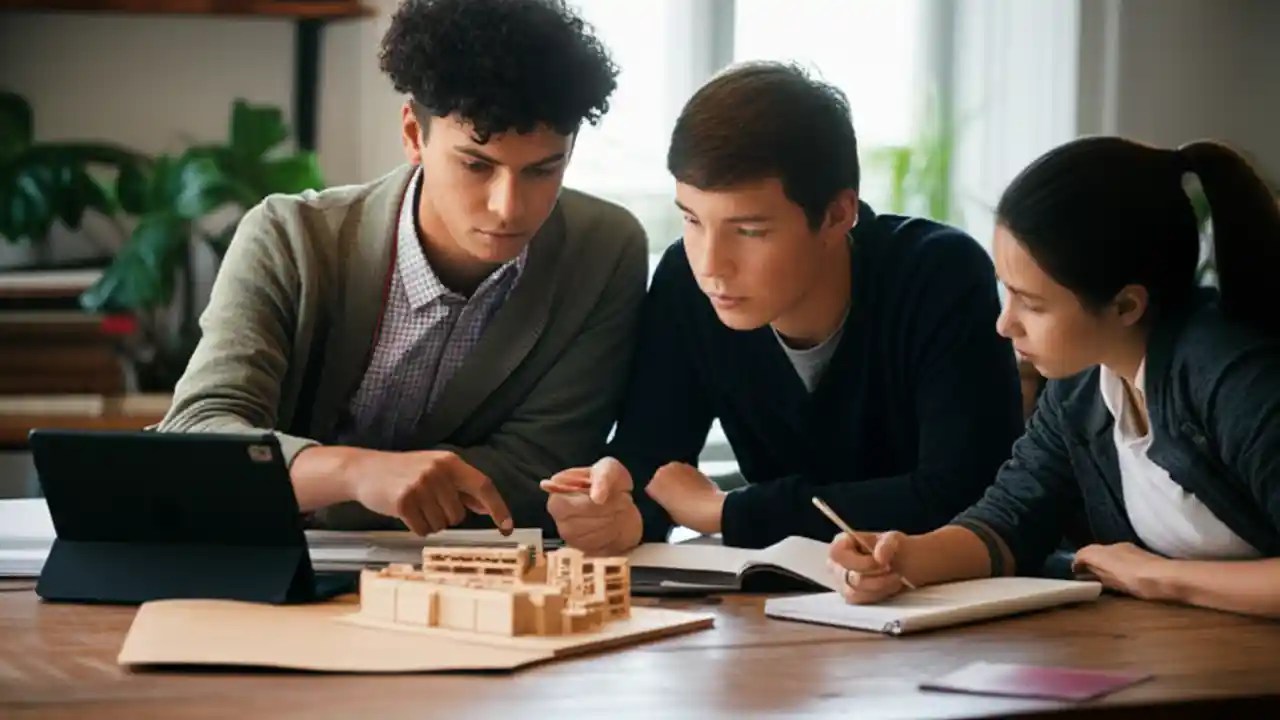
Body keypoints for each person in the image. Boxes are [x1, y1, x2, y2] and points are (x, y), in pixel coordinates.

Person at [159, 0, 648, 536]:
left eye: (542, 170)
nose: (508, 207)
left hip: (469, 589)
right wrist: (355, 473)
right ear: (415, 135)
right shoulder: (290, 237)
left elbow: (540, 473)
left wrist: (294, 482)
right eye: (475, 165)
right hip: (268, 571)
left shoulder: (603, 251)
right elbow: (197, 437)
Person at [542, 62, 1024, 554]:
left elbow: (969, 496)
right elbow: (654, 466)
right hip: (782, 604)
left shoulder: (938, 274)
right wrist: (617, 511)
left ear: (838, 215)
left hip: (948, 605)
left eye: (749, 231)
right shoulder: (688, 283)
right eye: (692, 220)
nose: (712, 265)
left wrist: (731, 511)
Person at [830, 136, 1280, 619]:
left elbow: (1153, 576)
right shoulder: (1082, 384)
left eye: (1033, 303)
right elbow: (1012, 519)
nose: (1006, 323)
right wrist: (903, 557)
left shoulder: (1234, 378)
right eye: (1008, 292)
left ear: (1127, 305)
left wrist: (1159, 577)